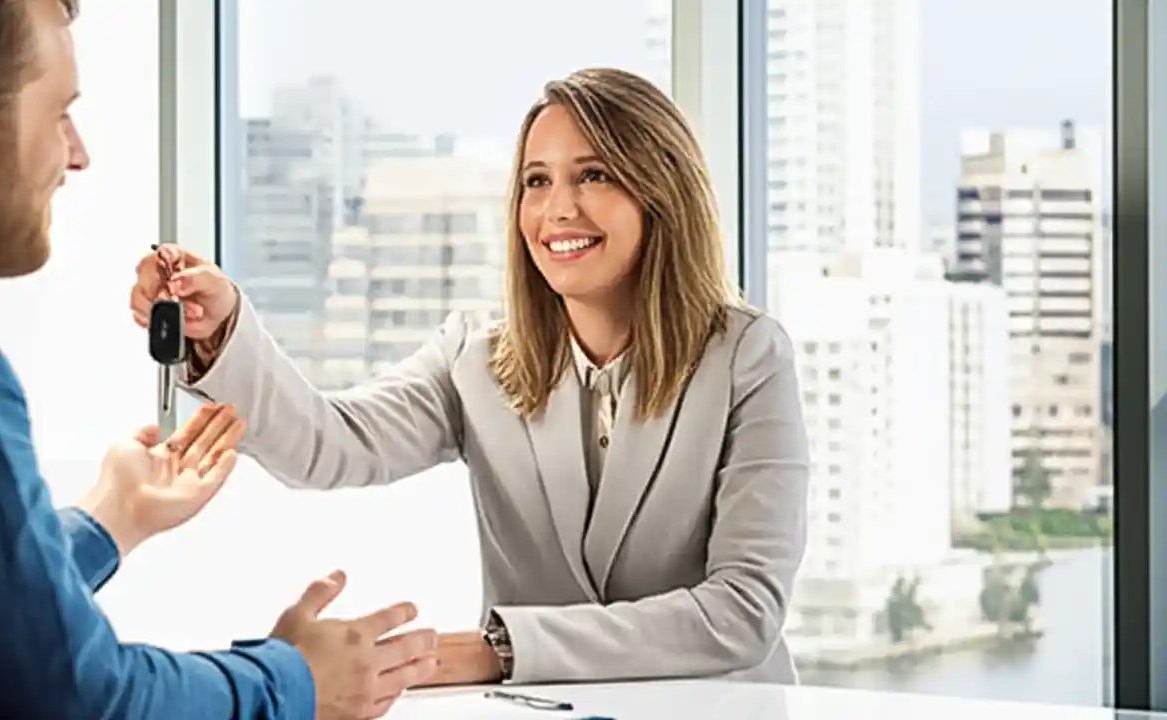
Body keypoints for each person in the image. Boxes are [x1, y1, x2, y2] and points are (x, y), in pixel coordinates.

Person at [132, 67, 810, 686]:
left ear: (662, 190)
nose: (558, 209)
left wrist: (499, 650)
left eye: (595, 175)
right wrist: (221, 329)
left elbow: (743, 609)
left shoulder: (747, 358)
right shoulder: (476, 359)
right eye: (537, 181)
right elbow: (327, 444)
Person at [0, 1, 436, 718]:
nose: (78, 154)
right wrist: (296, 681)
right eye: (60, 115)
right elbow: (71, 696)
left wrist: (115, 514)